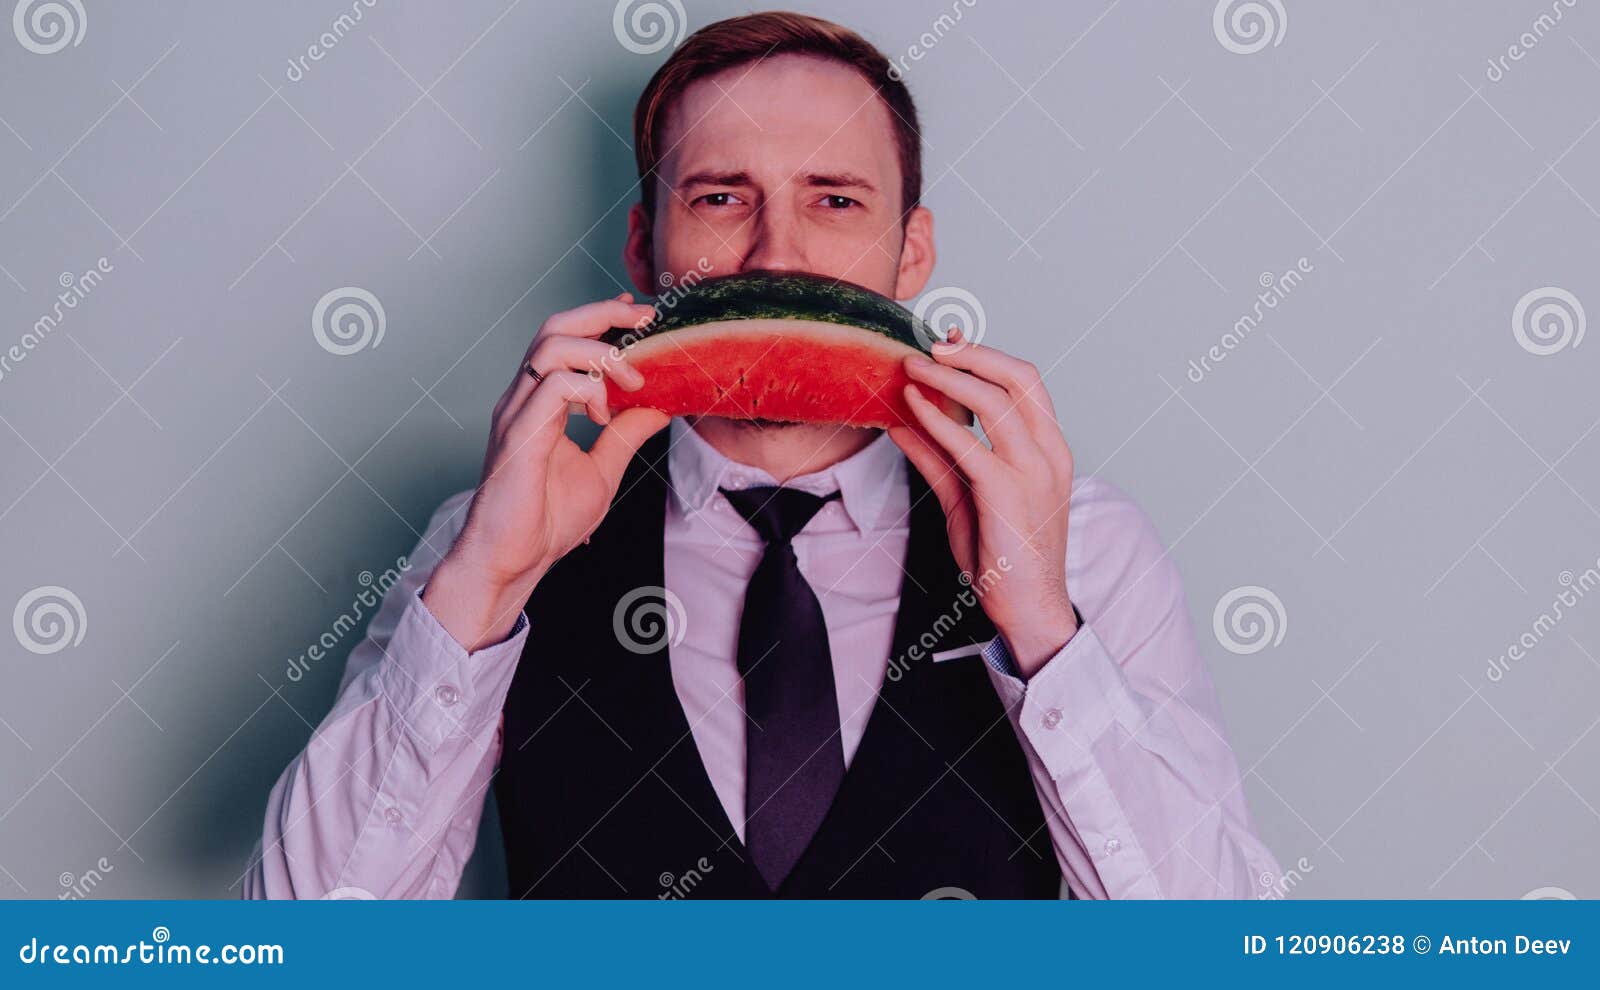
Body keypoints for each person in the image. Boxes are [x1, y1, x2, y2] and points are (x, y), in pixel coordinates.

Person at [246, 11, 1278, 900]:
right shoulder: (488, 544)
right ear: (645, 249)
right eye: (720, 198)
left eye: (834, 199)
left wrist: (1042, 623)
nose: (776, 253)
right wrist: (486, 582)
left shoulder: (1085, 546)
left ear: (910, 251)